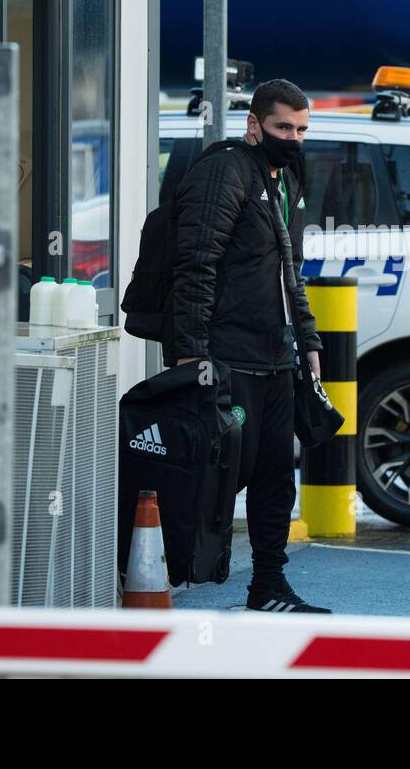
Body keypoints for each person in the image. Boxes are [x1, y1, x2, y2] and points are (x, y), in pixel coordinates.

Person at [168, 78, 331, 613]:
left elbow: (291, 270)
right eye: (284, 127)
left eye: (303, 128)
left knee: (274, 479)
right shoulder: (226, 170)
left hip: (276, 357)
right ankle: (165, 571)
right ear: (254, 125)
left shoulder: (286, 177)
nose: (294, 137)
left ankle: (268, 585)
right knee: (216, 475)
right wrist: (193, 353)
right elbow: (196, 263)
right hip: (226, 357)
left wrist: (306, 339)